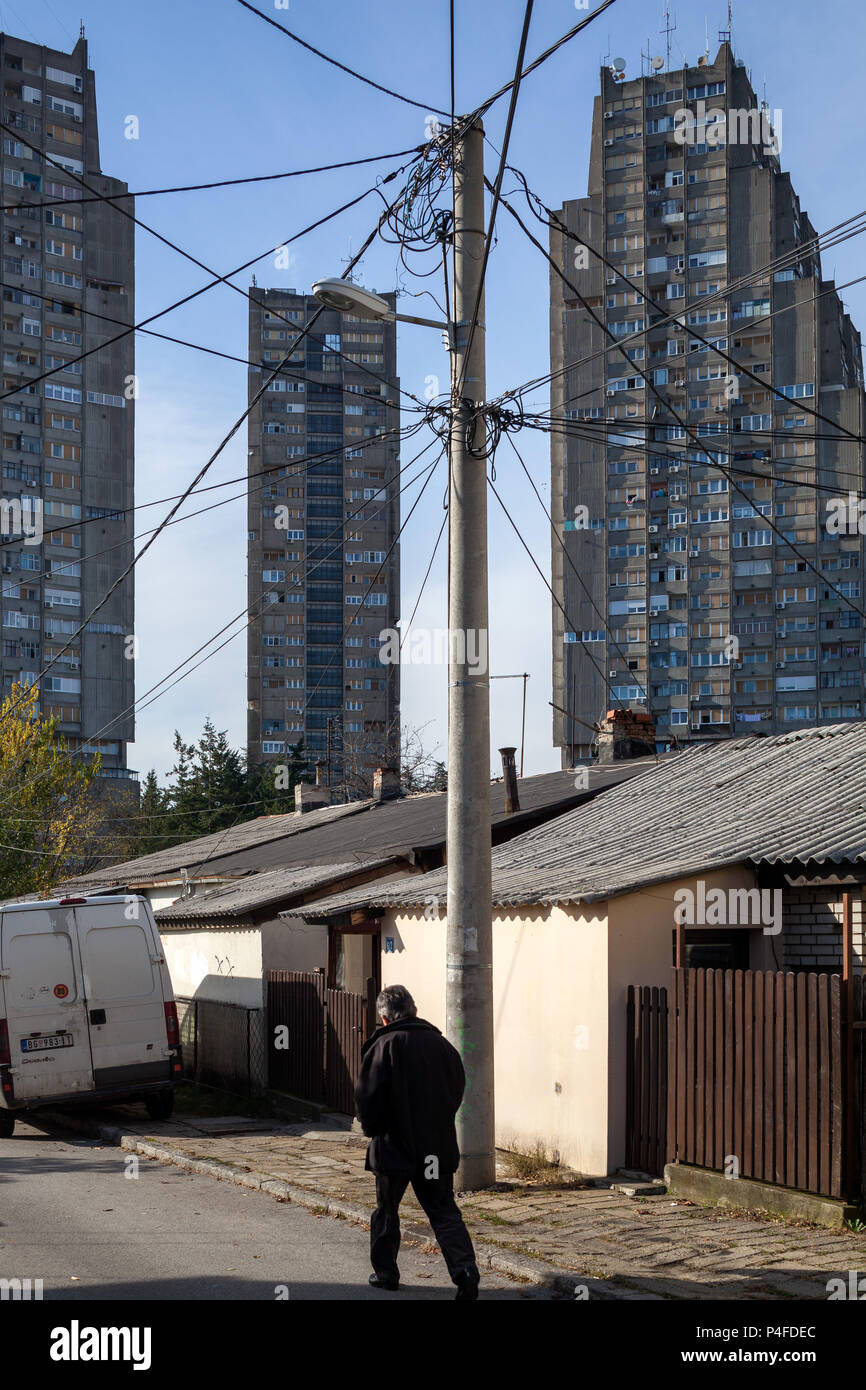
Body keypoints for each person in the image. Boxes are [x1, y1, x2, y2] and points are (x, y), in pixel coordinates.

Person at [354, 983, 480, 1300]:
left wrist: (372, 1129)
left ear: (384, 1018)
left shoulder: (382, 1046)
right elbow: (456, 1091)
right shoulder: (442, 1046)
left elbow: (367, 1099)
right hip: (434, 1149)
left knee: (387, 1210)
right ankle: (465, 1271)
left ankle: (386, 1274)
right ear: (414, 1010)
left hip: (393, 1146)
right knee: (443, 1210)